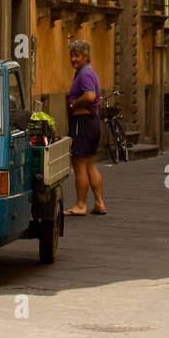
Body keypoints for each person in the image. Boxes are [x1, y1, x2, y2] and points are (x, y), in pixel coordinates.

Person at [63, 40, 106, 216]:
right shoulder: (87, 72)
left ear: (86, 57)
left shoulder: (85, 75)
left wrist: (74, 104)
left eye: (77, 55)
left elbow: (89, 96)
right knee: (90, 165)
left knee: (79, 165)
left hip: (83, 123)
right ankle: (99, 203)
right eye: (71, 55)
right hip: (92, 123)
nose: (73, 59)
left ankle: (81, 205)